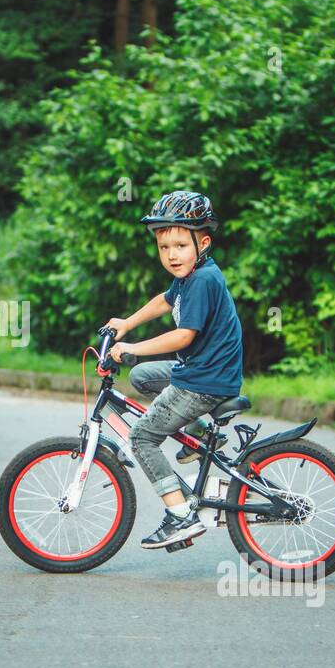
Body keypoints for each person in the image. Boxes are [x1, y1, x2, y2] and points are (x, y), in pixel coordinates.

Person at [106, 190, 244, 550]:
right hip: (205, 371)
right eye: (164, 247)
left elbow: (184, 336)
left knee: (142, 437)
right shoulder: (190, 276)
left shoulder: (202, 280)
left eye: (181, 245)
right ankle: (196, 433)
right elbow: (164, 302)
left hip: (203, 381)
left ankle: (180, 516)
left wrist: (132, 347)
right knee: (141, 376)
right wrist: (126, 323)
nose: (172, 255)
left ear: (203, 242)